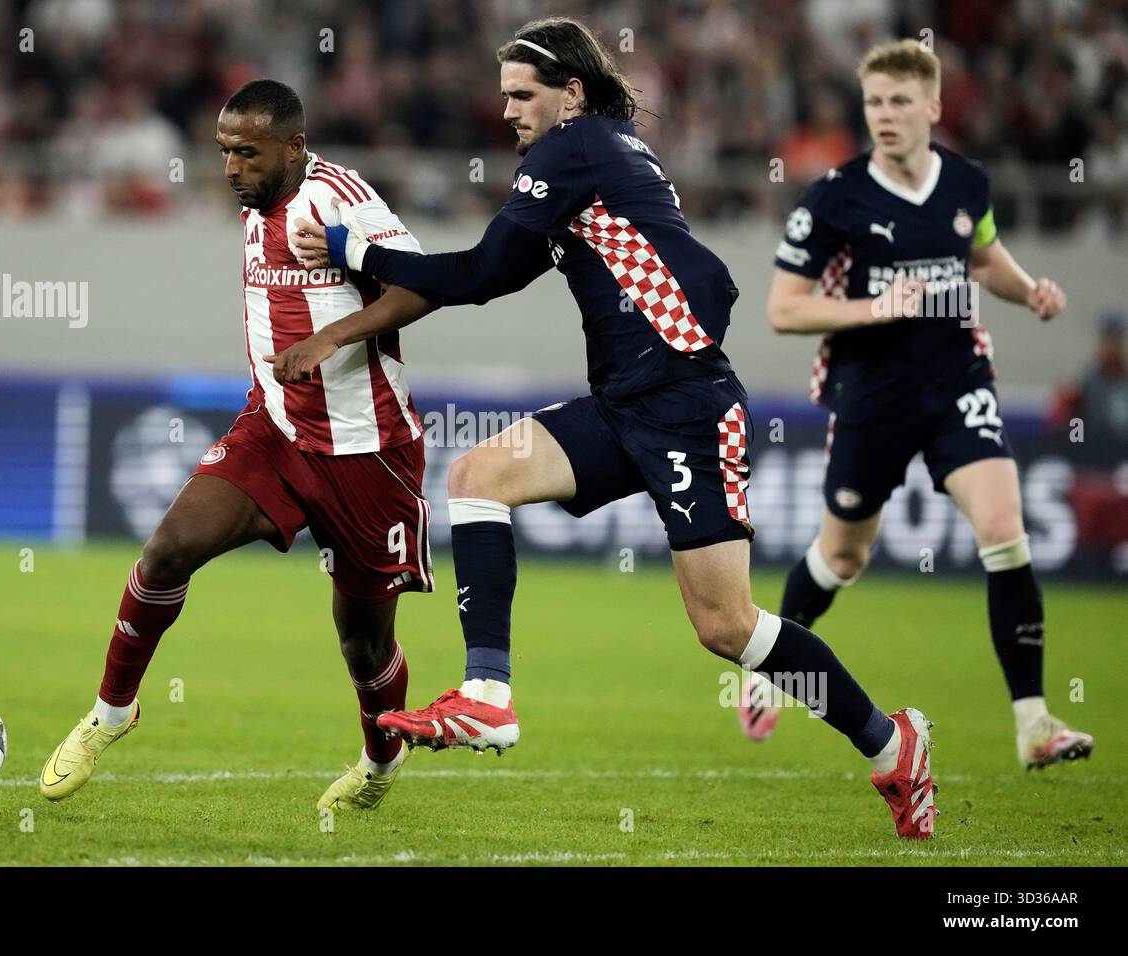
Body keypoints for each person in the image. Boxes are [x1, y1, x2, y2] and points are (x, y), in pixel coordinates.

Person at [268, 18, 938, 838]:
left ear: (571, 94)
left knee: (725, 626)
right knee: (479, 476)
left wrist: (348, 246)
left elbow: (479, 274)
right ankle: (487, 694)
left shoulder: (576, 148)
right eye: (504, 94)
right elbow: (499, 273)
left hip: (688, 407)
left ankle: (891, 741)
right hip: (625, 404)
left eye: (523, 94)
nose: (508, 110)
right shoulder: (602, 152)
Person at [39, 79, 439, 812]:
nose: (230, 168)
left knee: (364, 644)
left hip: (367, 451)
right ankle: (112, 712)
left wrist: (328, 338)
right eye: (224, 152)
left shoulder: (337, 197)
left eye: (246, 153)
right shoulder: (257, 205)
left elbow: (421, 284)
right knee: (167, 548)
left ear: (294, 147)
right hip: (276, 432)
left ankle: (381, 762)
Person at [755, 39, 1093, 770]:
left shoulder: (967, 183)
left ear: (934, 107)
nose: (885, 115)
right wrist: (875, 309)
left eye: (900, 101)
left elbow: (983, 257)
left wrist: (1029, 287)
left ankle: (1034, 723)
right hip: (871, 397)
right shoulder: (835, 197)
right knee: (843, 555)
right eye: (874, 102)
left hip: (957, 384)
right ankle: (773, 659)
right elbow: (783, 310)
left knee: (1004, 530)